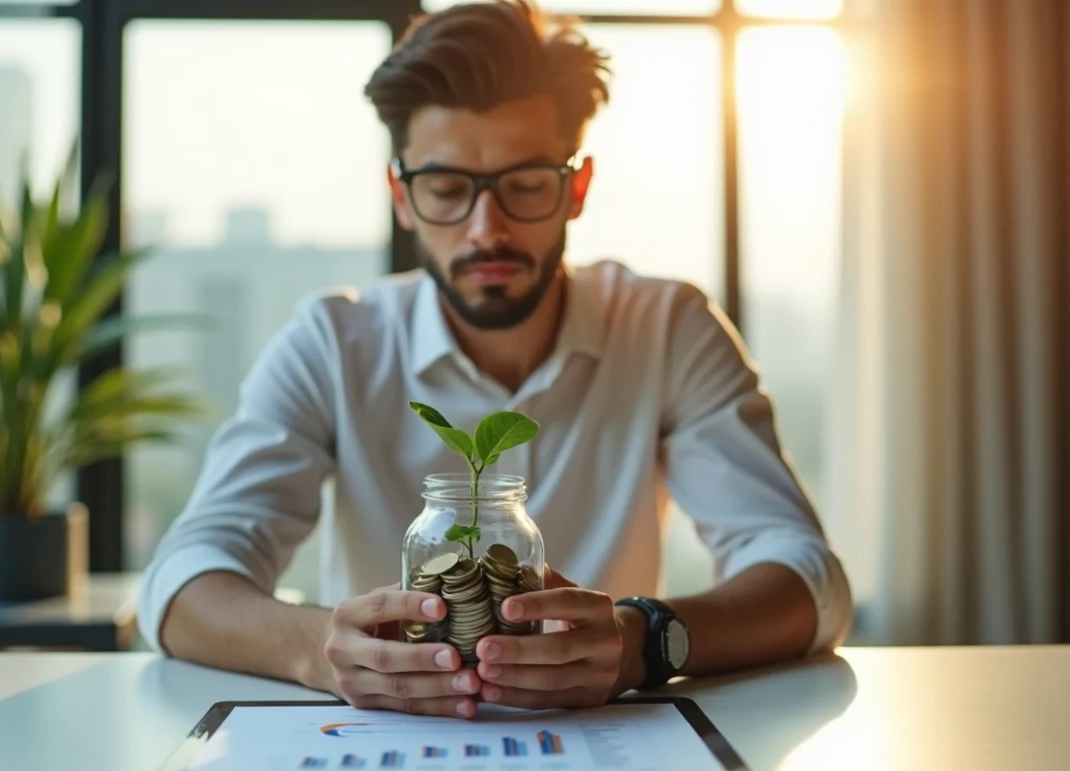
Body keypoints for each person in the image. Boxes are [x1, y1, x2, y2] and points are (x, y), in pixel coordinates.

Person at [136, 0, 852, 719]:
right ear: (402, 197)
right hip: (383, 743)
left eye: (525, 185)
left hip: (604, 740)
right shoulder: (332, 343)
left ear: (576, 188)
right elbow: (180, 583)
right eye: (448, 190)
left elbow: (808, 581)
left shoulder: (667, 329)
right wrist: (320, 648)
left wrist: (643, 640)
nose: (487, 230)